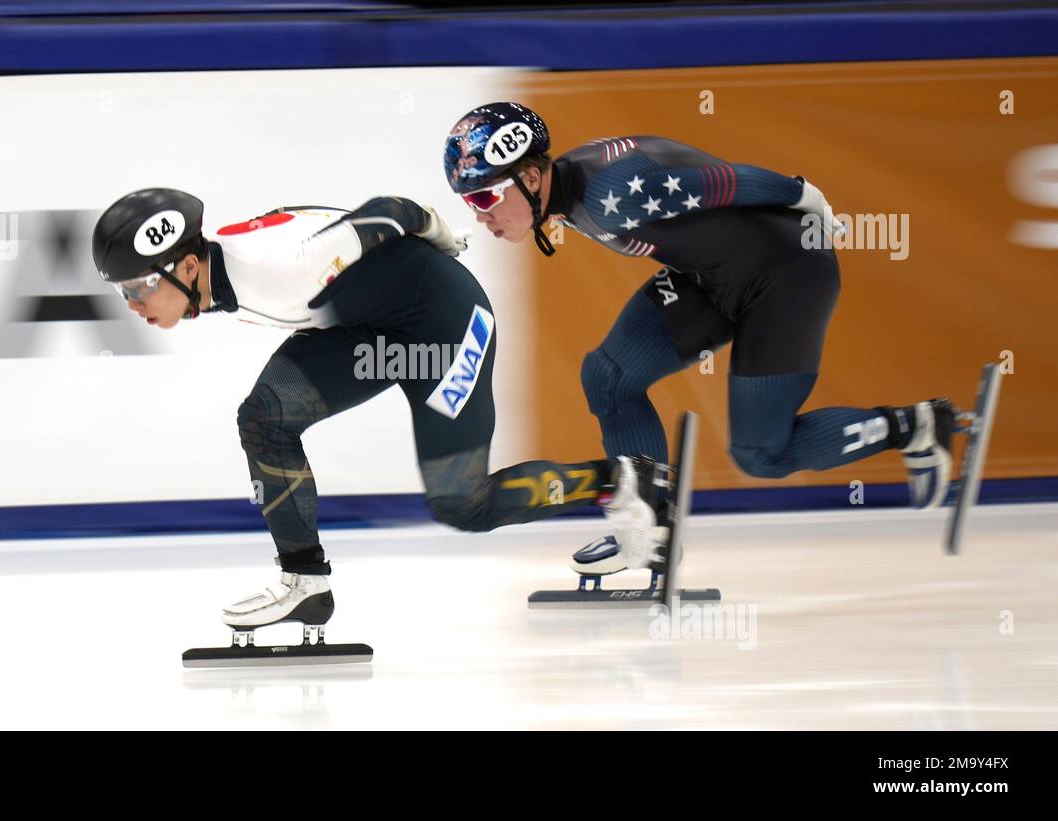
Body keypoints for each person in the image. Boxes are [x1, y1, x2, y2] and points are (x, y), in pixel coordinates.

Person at [92, 189, 638, 641]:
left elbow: (393, 211)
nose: (134, 304)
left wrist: (442, 239)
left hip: (445, 324)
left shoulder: (273, 272)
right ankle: (305, 582)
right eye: (124, 292)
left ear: (187, 265)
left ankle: (621, 482)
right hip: (368, 329)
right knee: (264, 419)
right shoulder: (230, 264)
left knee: (462, 503)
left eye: (139, 286)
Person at [442, 102, 956, 578]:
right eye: (469, 201)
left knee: (760, 454)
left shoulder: (606, 194)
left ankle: (916, 425)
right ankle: (651, 524)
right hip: (711, 277)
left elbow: (721, 183)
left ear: (530, 176)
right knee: (609, 375)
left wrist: (800, 192)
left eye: (485, 196)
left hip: (788, 275)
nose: (480, 213)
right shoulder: (571, 187)